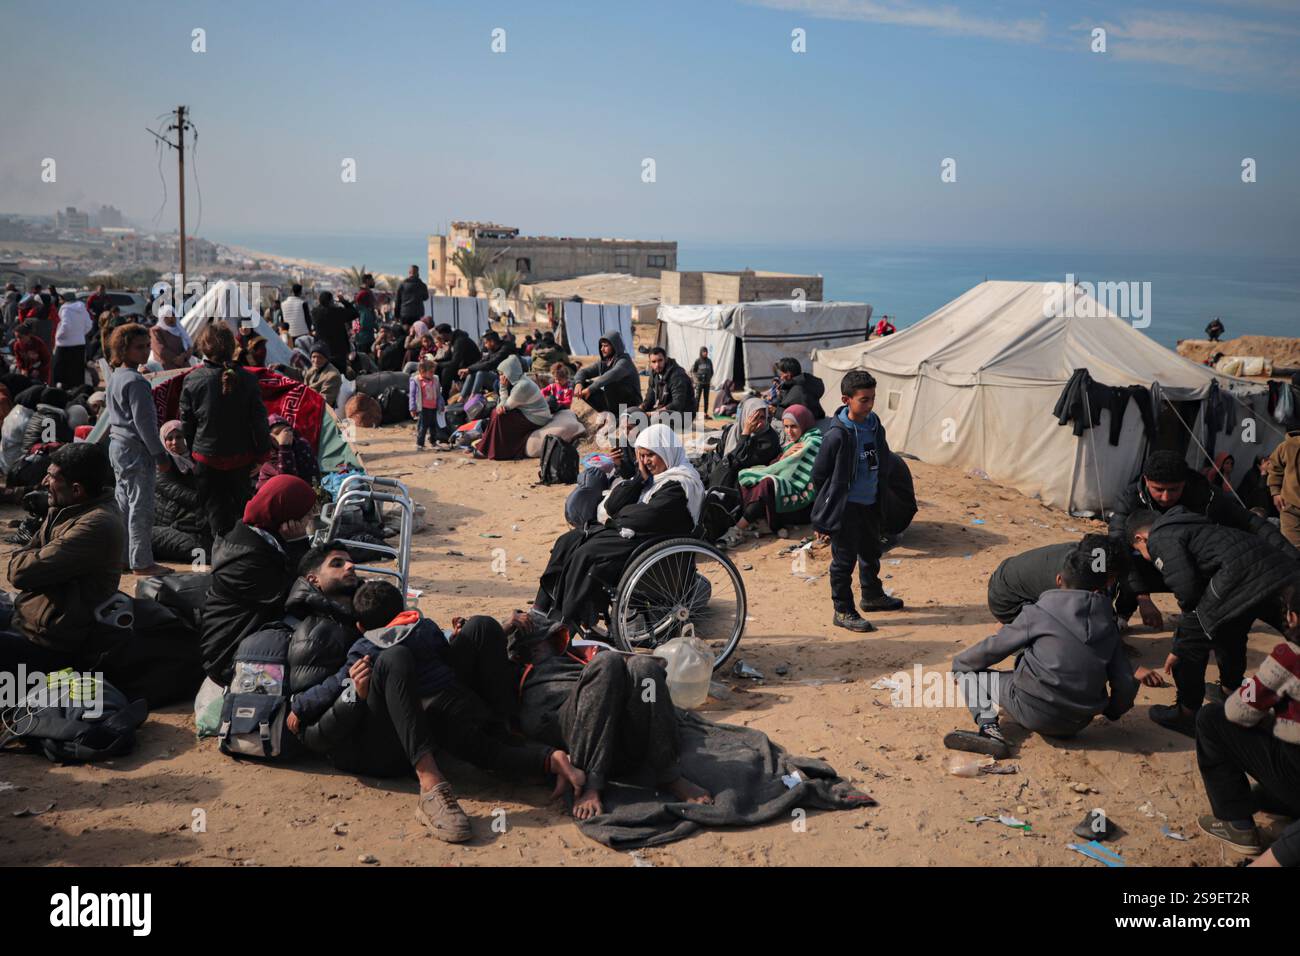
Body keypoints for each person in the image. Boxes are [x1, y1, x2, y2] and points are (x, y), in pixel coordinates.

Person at [296, 578, 580, 842]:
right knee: (401, 659)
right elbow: (440, 655)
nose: (348, 568)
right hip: (423, 718)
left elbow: (334, 685)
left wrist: (300, 706)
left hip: (435, 713)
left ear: (360, 626)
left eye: (348, 563)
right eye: (338, 563)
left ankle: (511, 735)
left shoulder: (363, 647)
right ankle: (435, 779)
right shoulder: (423, 625)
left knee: (480, 626)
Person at [509, 608, 712, 820]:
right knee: (607, 662)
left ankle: (669, 774)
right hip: (575, 735)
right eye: (543, 642)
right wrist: (507, 626)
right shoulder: (518, 670)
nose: (548, 645)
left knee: (645, 668)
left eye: (552, 640)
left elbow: (645, 674)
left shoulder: (576, 655)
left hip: (622, 737)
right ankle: (592, 784)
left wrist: (632, 675)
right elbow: (478, 642)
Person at [944, 548, 1141, 758]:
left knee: (969, 673)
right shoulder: (1108, 625)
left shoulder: (1038, 613)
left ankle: (989, 731)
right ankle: (1058, 723)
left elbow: (994, 648)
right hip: (1079, 722)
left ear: (1058, 580)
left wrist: (961, 665)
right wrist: (1111, 711)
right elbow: (1125, 681)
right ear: (1104, 586)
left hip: (1035, 713)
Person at [1127, 508, 1299, 737]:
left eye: (1139, 550)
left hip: (1239, 578)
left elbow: (1188, 593)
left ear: (1140, 538)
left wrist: (1184, 641)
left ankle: (1187, 713)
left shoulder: (1160, 537)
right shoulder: (1193, 524)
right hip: (1276, 572)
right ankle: (1231, 691)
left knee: (1188, 644)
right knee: (1231, 629)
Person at [534, 424, 703, 633]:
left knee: (586, 554)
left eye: (650, 455)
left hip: (653, 547)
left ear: (666, 452)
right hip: (634, 536)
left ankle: (566, 621)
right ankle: (541, 610)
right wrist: (638, 480)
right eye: (641, 456)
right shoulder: (652, 480)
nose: (646, 462)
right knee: (568, 541)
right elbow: (613, 506)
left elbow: (648, 516)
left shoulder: (680, 483)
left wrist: (619, 518)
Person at [1107, 449, 1297, 629]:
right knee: (1108, 559)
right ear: (1146, 480)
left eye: (1174, 490)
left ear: (1185, 482)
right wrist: (1143, 598)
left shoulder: (1205, 493)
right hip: (1146, 564)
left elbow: (1250, 522)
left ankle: (1199, 617)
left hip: (1189, 565)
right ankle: (1119, 616)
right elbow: (1118, 547)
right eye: (1159, 489)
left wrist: (1294, 558)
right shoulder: (1129, 499)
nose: (1165, 497)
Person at [1193, 583, 1300, 863]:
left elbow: (1238, 711)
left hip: (1295, 772)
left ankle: (1237, 825)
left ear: (1293, 617)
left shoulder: (1288, 658)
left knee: (1211, 719)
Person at [1, 444, 124, 673]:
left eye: (51, 477)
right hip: (28, 618)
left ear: (76, 489)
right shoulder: (67, 507)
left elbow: (20, 572)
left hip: (50, 644)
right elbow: (28, 556)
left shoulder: (96, 525)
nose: (45, 482)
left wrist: (30, 557)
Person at [811, 369, 904, 632]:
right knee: (844, 561)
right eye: (864, 399)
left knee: (871, 551)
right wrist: (830, 505)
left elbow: (883, 460)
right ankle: (842, 610)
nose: (870, 404)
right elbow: (819, 474)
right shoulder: (837, 435)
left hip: (871, 502)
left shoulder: (875, 426)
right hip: (846, 509)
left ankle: (872, 596)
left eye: (872, 398)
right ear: (846, 400)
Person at [199, 475, 315, 683]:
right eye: (307, 514)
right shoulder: (247, 556)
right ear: (288, 516)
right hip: (229, 655)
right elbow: (296, 594)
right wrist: (298, 545)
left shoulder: (259, 536)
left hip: (251, 633)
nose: (310, 519)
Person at [180, 323, 273, 539]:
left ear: (203, 348)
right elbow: (259, 421)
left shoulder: (192, 379)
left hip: (206, 456)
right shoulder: (248, 379)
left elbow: (187, 423)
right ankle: (238, 553)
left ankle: (211, 557)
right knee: (240, 509)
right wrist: (262, 455)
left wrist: (193, 453)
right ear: (233, 347)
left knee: (210, 509)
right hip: (241, 456)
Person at [105, 324, 171, 577]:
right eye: (139, 347)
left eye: (147, 347)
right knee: (141, 507)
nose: (145, 352)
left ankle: (122, 558)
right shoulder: (136, 382)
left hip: (118, 448)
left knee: (124, 505)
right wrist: (160, 456)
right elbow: (145, 425)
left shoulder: (116, 377)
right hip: (135, 450)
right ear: (124, 349)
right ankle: (142, 563)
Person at [719, 404, 823, 549]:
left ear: (803, 423)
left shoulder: (810, 442)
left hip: (801, 500)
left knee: (765, 483)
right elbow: (735, 462)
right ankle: (756, 522)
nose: (788, 431)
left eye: (793, 426)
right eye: (786, 426)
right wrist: (746, 434)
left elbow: (786, 470)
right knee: (751, 478)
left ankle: (737, 529)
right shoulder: (793, 442)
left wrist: (746, 436)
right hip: (782, 490)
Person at [987, 534, 1128, 626]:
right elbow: (1075, 618)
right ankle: (1012, 626)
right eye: (1111, 577)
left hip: (1012, 584)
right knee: (1063, 644)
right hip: (1006, 602)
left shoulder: (1086, 555)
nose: (1112, 582)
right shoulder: (1073, 574)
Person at [152, 420, 212, 562]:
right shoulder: (161, 463)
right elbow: (174, 491)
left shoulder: (195, 459)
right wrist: (208, 501)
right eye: (169, 439)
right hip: (169, 523)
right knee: (198, 550)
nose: (174, 442)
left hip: (190, 519)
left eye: (179, 437)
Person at [475, 354, 551, 461]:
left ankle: (496, 451)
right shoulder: (521, 380)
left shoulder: (522, 386)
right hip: (531, 414)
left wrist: (503, 387)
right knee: (495, 413)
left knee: (498, 416)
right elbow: (503, 405)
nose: (500, 377)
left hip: (537, 418)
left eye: (502, 374)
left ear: (509, 373)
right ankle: (486, 446)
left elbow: (505, 406)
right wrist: (501, 404)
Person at [703, 396, 783, 492]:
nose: (758, 423)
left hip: (740, 483)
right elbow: (720, 454)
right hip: (723, 473)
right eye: (753, 418)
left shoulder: (769, 440)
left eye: (762, 417)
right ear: (745, 416)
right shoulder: (732, 430)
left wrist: (745, 434)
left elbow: (738, 460)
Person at [573, 331, 641, 416]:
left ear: (614, 346)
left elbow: (612, 374)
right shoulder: (604, 362)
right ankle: (609, 414)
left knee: (610, 384)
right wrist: (578, 383)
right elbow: (583, 372)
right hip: (614, 401)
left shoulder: (624, 361)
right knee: (579, 384)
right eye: (601, 346)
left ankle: (618, 416)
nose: (602, 349)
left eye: (605, 346)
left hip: (630, 403)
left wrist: (590, 389)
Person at [256, 414, 321, 488]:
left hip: (302, 490)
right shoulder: (268, 452)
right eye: (277, 433)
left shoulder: (302, 446)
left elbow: (313, 476)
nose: (283, 436)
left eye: (286, 431)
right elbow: (286, 480)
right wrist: (284, 448)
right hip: (275, 492)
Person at [638, 347, 695, 423]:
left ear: (665, 359)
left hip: (684, 414)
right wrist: (640, 409)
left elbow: (678, 403)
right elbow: (650, 399)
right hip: (667, 411)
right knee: (634, 413)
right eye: (654, 362)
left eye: (660, 360)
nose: (657, 364)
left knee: (654, 418)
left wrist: (655, 412)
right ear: (650, 363)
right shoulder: (655, 374)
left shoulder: (677, 375)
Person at [52, 292, 93, 389]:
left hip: (64, 344)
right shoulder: (82, 308)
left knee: (61, 370)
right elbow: (89, 324)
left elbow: (66, 325)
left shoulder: (65, 309)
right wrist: (80, 334)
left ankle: (62, 390)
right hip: (79, 343)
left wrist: (58, 336)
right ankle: (77, 389)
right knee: (76, 370)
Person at [458, 329, 516, 398]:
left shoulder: (505, 349)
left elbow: (490, 363)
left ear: (492, 342)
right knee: (472, 372)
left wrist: (469, 369)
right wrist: (468, 369)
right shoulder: (492, 349)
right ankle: (461, 398)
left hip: (506, 381)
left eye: (485, 343)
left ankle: (472, 397)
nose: (485, 345)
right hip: (497, 378)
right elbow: (482, 361)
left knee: (481, 373)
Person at [1269, 427, 1300, 548]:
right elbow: (1275, 467)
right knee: (1293, 550)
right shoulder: (1288, 446)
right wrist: (1275, 492)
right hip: (1290, 508)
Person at [408, 355, 445, 450]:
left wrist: (441, 404)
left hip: (433, 407)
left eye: (433, 372)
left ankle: (433, 442)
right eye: (431, 372)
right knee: (423, 426)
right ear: (422, 372)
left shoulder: (435, 379)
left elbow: (438, 393)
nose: (433, 374)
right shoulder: (416, 380)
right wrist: (412, 408)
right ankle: (420, 444)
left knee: (433, 426)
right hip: (423, 408)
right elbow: (412, 395)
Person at [434, 325, 481, 398]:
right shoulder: (453, 340)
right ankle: (436, 393)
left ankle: (444, 396)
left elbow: (455, 362)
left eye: (440, 335)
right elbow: (448, 357)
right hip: (461, 364)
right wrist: (435, 362)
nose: (440, 337)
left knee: (447, 371)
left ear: (444, 334)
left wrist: (438, 364)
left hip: (469, 366)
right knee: (436, 368)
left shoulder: (459, 341)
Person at [310, 292, 351, 373]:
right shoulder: (338, 312)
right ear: (330, 301)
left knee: (323, 374)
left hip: (322, 349)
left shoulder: (315, 312)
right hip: (339, 350)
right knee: (341, 375)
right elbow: (354, 313)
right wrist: (343, 301)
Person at [146, 303, 190, 370]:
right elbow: (160, 350)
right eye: (166, 317)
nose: (170, 319)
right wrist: (176, 359)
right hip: (166, 368)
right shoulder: (155, 331)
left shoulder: (180, 330)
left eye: (173, 315)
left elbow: (188, 346)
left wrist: (183, 356)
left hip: (183, 365)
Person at [303, 341, 343, 407]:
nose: (316, 360)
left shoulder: (332, 376)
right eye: (314, 357)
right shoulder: (315, 368)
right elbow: (302, 374)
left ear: (326, 359)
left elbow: (325, 400)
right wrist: (283, 368)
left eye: (320, 357)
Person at [353, 274, 379, 354]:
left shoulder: (365, 293)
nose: (374, 282)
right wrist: (375, 325)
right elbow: (364, 323)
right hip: (364, 337)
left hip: (367, 335)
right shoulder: (364, 294)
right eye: (372, 280)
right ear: (367, 281)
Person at [280, 283, 312, 347]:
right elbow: (308, 319)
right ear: (300, 292)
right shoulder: (303, 303)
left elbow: (282, 320)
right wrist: (310, 331)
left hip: (289, 335)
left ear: (291, 291)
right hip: (302, 334)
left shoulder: (283, 304)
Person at [690, 347, 714, 421]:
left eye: (706, 351)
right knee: (697, 399)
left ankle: (705, 414)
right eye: (704, 352)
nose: (705, 353)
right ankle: (696, 414)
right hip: (699, 383)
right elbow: (693, 371)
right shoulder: (698, 361)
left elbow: (712, 371)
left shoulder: (709, 361)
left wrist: (709, 378)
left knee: (706, 399)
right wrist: (696, 379)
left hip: (707, 383)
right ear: (701, 352)